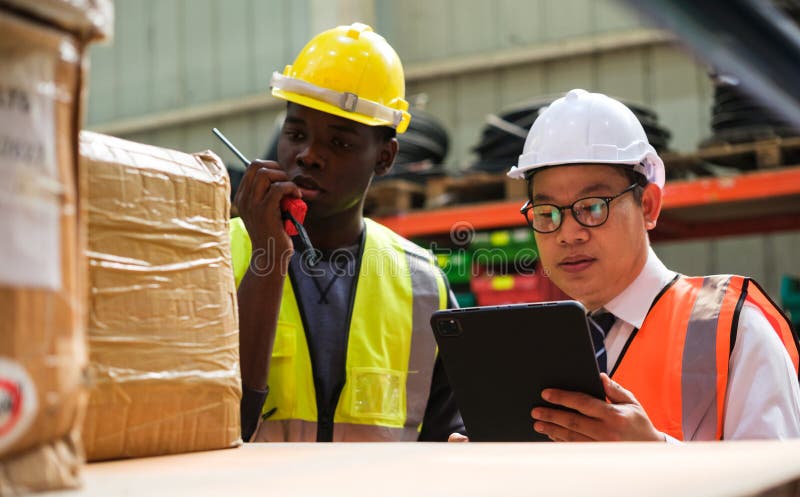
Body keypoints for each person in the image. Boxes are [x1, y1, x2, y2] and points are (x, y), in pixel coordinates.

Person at [501, 88, 800, 442]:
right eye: (547, 213)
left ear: (648, 206)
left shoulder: (731, 330)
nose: (568, 234)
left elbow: (778, 485)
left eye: (593, 207)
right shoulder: (539, 349)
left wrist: (655, 455)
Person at [230, 22, 464, 442]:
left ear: (385, 157)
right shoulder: (220, 255)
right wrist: (267, 255)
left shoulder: (423, 285)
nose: (308, 155)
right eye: (296, 133)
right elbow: (213, 419)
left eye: (339, 143)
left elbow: (449, 441)